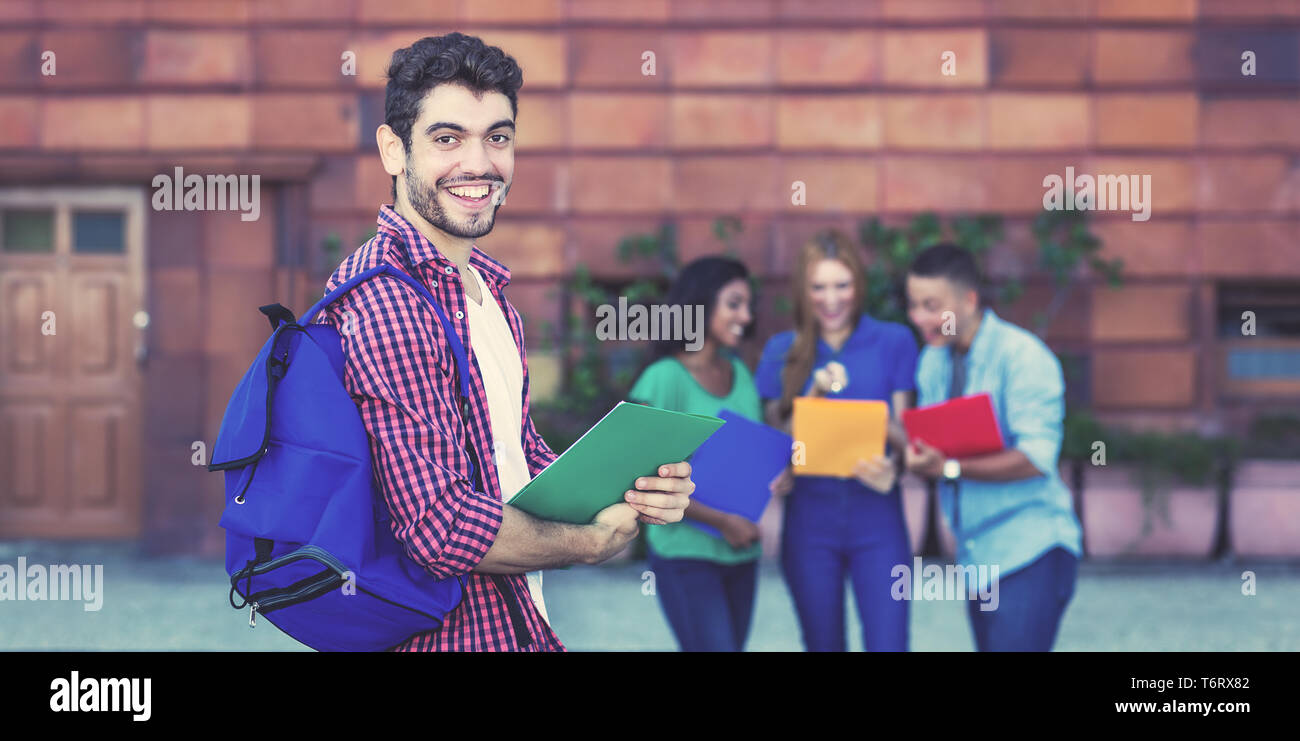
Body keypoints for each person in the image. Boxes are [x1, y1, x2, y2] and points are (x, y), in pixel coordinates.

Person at [319, 33, 696, 652]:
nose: (480, 163)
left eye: (497, 136)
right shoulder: (388, 300)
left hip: (515, 626)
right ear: (393, 150)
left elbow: (514, 458)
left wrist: (631, 485)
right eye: (447, 139)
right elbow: (437, 529)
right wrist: (587, 543)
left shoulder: (484, 291)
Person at [903, 242, 1082, 652]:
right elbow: (934, 445)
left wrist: (948, 468)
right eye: (914, 306)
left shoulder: (1024, 358)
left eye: (932, 306)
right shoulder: (932, 363)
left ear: (969, 300)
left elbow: (1037, 457)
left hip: (1031, 550)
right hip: (976, 557)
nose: (920, 318)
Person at [756, 231, 917, 652]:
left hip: (878, 518)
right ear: (802, 291)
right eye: (818, 287)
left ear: (859, 286)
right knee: (822, 644)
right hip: (810, 523)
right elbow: (776, 445)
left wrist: (895, 466)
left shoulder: (893, 342)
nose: (831, 299)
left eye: (842, 285)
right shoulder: (781, 351)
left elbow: (907, 439)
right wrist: (812, 398)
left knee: (890, 644)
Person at [628, 256, 771, 652]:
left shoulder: (740, 373)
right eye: (734, 303)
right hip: (686, 555)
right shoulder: (664, 379)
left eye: (748, 304)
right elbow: (640, 476)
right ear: (701, 305)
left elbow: (748, 455)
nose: (746, 314)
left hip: (742, 551)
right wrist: (723, 521)